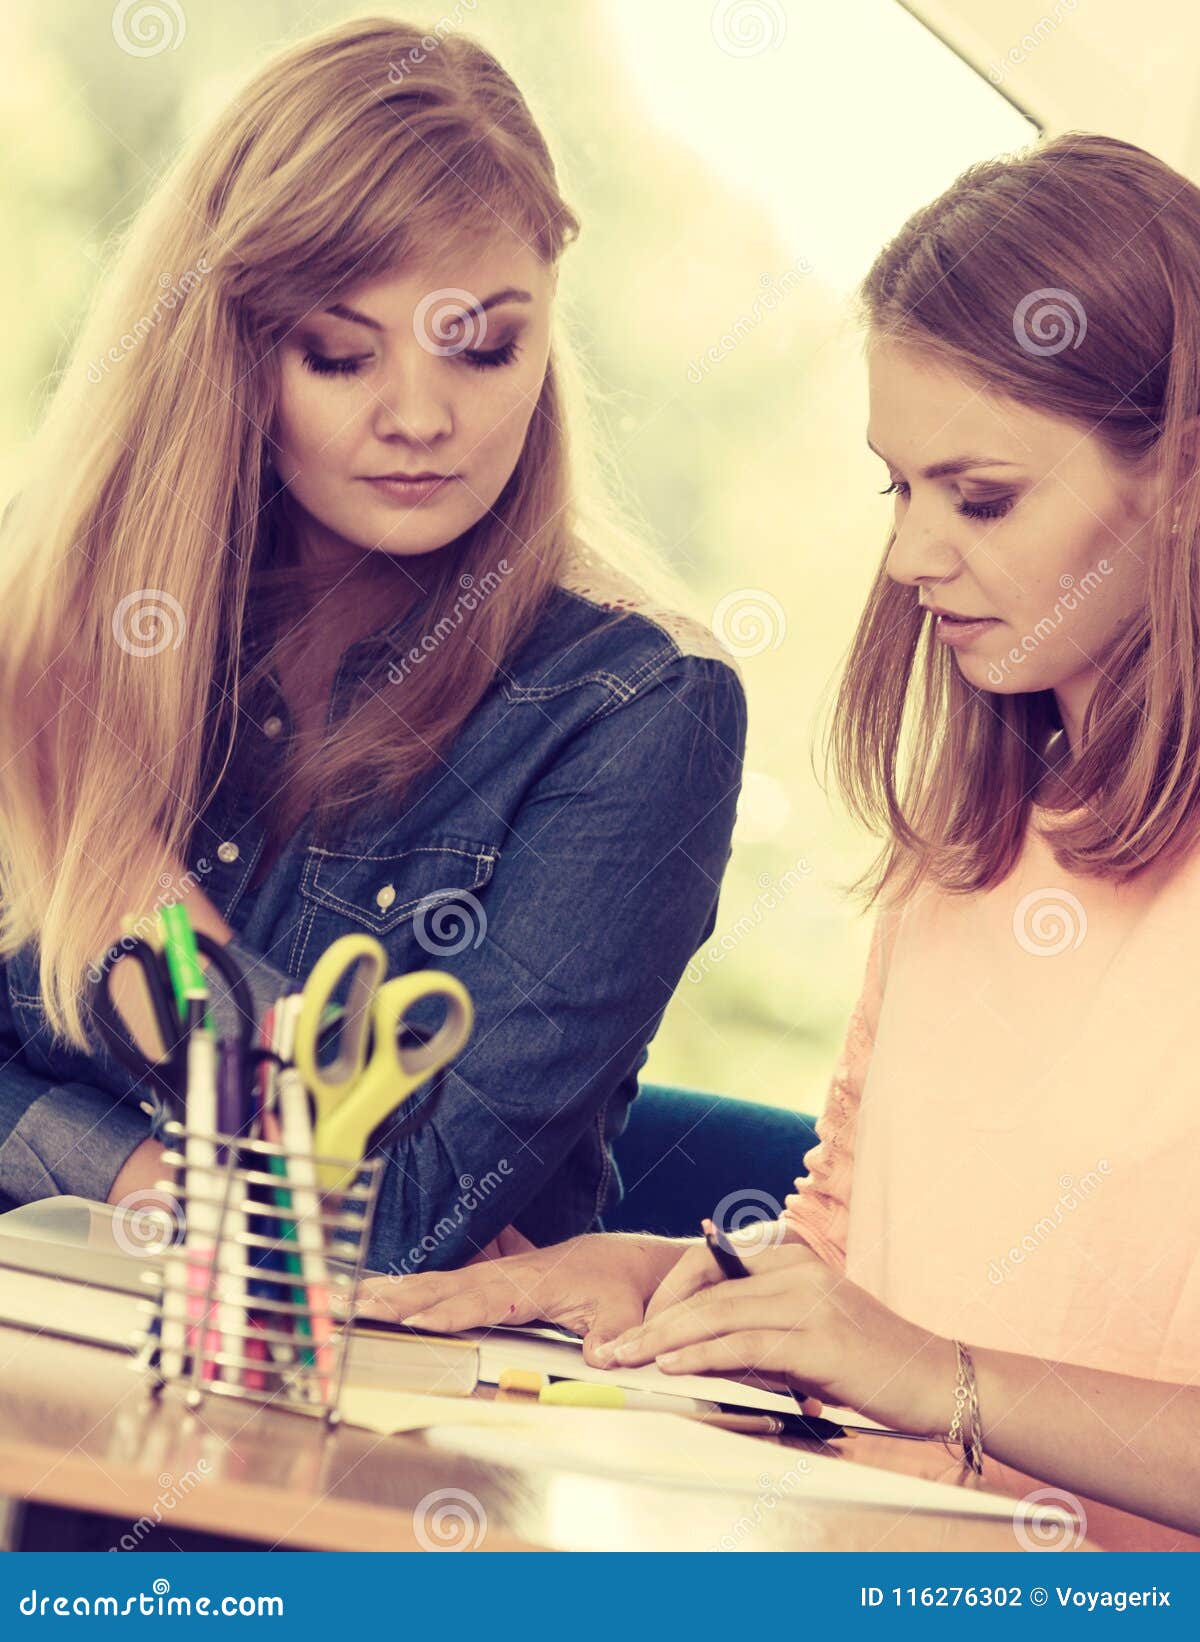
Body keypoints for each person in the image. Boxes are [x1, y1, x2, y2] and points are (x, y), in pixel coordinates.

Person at [357, 133, 1200, 1546]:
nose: (915, 554)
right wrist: (680, 1280)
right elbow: (850, 1246)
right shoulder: (969, 842)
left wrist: (935, 1379)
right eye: (901, 488)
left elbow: (914, 1356)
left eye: (979, 495)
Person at [0, 16, 748, 1271]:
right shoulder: (57, 622)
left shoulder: (635, 710)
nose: (419, 417)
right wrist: (138, 1176)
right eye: (342, 354)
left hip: (380, 1442)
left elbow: (395, 1225)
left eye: (485, 345)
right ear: (228, 351)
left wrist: (131, 890)